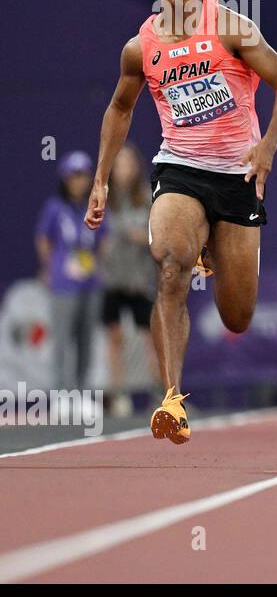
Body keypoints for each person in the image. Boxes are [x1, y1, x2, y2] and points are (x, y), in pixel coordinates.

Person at [84, 0, 277, 445]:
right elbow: (120, 108)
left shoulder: (232, 28)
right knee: (171, 264)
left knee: (237, 316)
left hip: (237, 176)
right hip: (179, 168)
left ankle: (214, 245)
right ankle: (172, 401)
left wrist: (267, 146)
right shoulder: (140, 48)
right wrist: (99, 180)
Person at [36, 151, 104, 400]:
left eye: (83, 176)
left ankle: (83, 393)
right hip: (63, 283)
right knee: (62, 340)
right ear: (65, 179)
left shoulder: (94, 206)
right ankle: (60, 394)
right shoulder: (55, 208)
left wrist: (99, 266)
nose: (79, 181)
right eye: (74, 176)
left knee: (86, 341)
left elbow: (102, 239)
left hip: (90, 282)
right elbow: (43, 239)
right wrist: (49, 268)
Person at [98, 143, 157, 417]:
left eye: (128, 163)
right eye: (119, 164)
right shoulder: (104, 197)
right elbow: (95, 234)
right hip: (112, 278)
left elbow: (154, 232)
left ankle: (160, 393)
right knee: (114, 337)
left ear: (136, 167)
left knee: (151, 337)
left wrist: (142, 235)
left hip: (139, 279)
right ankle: (119, 394)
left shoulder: (145, 196)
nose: (124, 169)